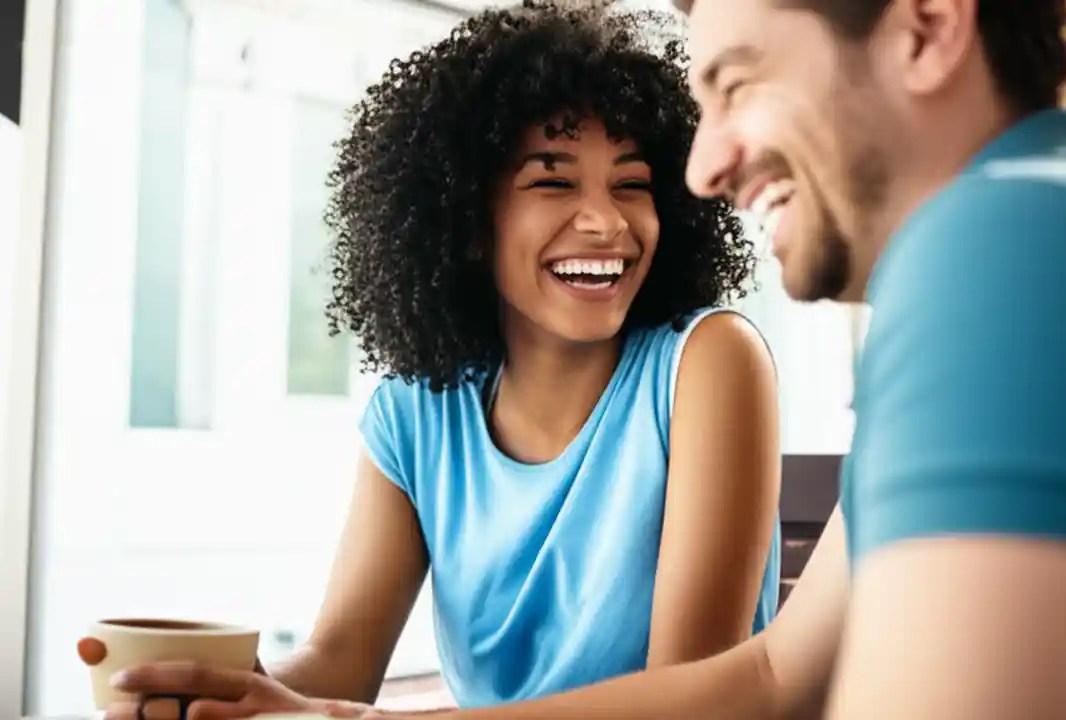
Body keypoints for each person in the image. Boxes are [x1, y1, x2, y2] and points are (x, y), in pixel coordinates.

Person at [110, 0, 1066, 717]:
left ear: (926, 27)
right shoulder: (1056, 236)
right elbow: (773, 684)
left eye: (735, 80)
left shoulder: (1024, 251)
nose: (704, 166)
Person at [102, 1, 785, 716]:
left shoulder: (708, 364)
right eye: (553, 182)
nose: (606, 221)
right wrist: (218, 695)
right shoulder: (413, 411)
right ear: (467, 223)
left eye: (632, 184)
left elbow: (690, 697)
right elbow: (340, 663)